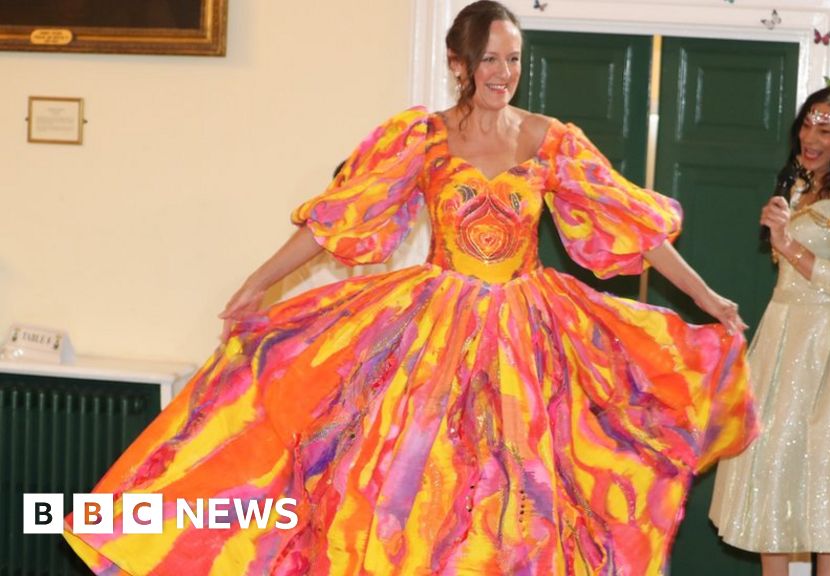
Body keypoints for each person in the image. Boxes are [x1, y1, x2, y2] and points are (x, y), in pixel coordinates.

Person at [64, 2, 757, 573]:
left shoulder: (552, 141)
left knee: (529, 495)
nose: (503, 72)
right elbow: (338, 219)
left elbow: (636, 230)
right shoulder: (420, 140)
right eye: (490, 58)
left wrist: (708, 300)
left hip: (527, 334)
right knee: (411, 485)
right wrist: (257, 283)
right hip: (435, 329)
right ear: (459, 64)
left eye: (513, 58)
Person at [709, 85, 830, 576]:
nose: (811, 137)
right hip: (782, 337)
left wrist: (787, 240)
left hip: (828, 346)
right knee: (771, 467)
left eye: (826, 129)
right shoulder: (799, 185)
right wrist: (782, 236)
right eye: (808, 125)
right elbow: (790, 269)